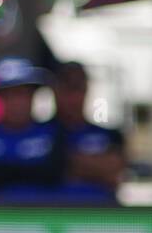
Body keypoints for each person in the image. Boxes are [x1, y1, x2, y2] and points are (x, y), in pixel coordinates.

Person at [0, 58, 65, 198]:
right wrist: (29, 169)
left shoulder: (52, 133)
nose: (17, 102)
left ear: (32, 96)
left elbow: (55, 175)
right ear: (0, 97)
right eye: (10, 95)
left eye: (22, 94)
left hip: (43, 213)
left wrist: (1, 169)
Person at [54, 61, 127, 197]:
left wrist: (70, 165)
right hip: (53, 212)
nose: (73, 97)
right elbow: (44, 171)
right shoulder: (43, 131)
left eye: (78, 87)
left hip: (101, 214)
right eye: (67, 88)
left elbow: (114, 173)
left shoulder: (110, 134)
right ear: (55, 90)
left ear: (86, 89)